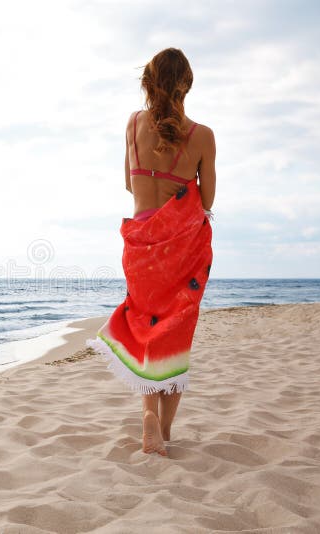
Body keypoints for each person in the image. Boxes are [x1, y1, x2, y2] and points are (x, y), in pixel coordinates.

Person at [87, 48, 216, 457]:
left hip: (140, 246)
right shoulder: (203, 135)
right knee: (175, 334)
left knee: (145, 328)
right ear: (187, 85)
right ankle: (164, 427)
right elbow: (208, 197)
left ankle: (147, 413)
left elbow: (130, 184)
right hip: (181, 248)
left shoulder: (131, 125)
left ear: (148, 81)